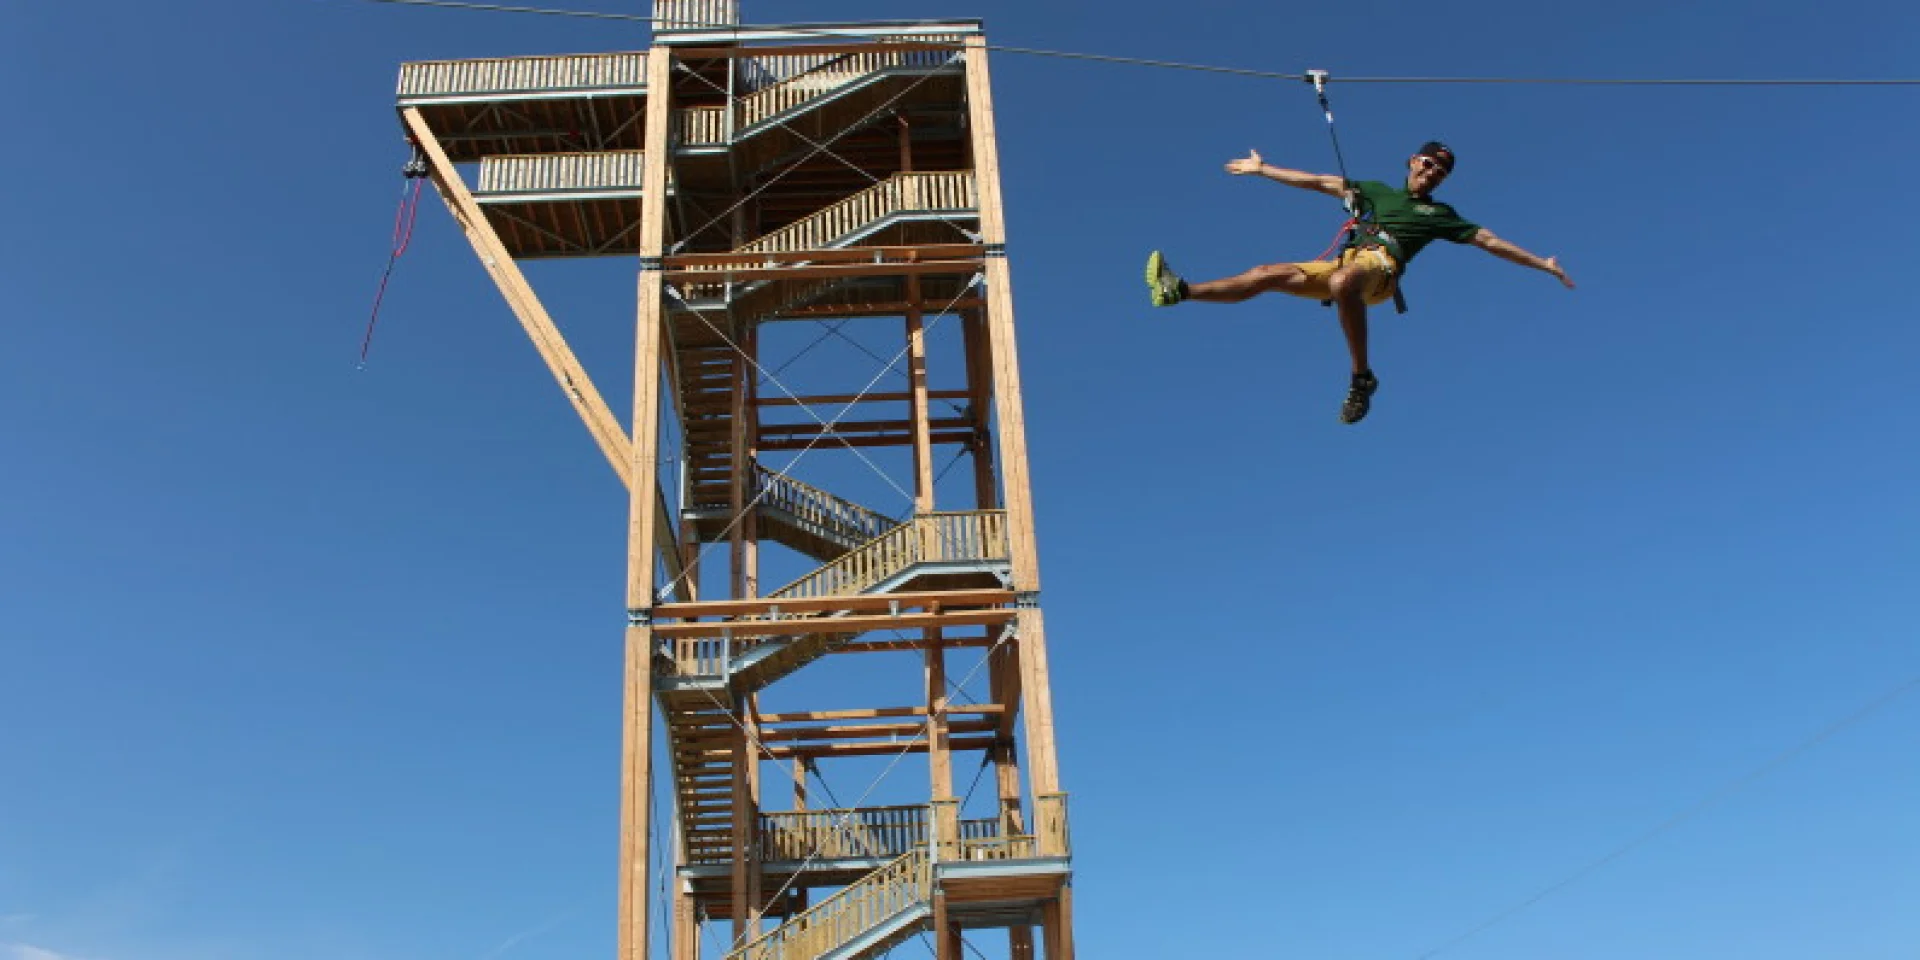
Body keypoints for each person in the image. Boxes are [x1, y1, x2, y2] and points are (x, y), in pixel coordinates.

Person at [1144, 141, 1575, 424]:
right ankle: (1179, 291)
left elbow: (1491, 241)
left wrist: (1544, 264)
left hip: (1380, 271)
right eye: (1429, 164)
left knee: (1346, 280)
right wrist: (1263, 169)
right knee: (1266, 275)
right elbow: (1318, 182)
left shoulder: (1440, 214)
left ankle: (1361, 377)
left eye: (1441, 172)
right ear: (1412, 160)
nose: (1433, 173)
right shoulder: (1374, 191)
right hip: (1345, 264)